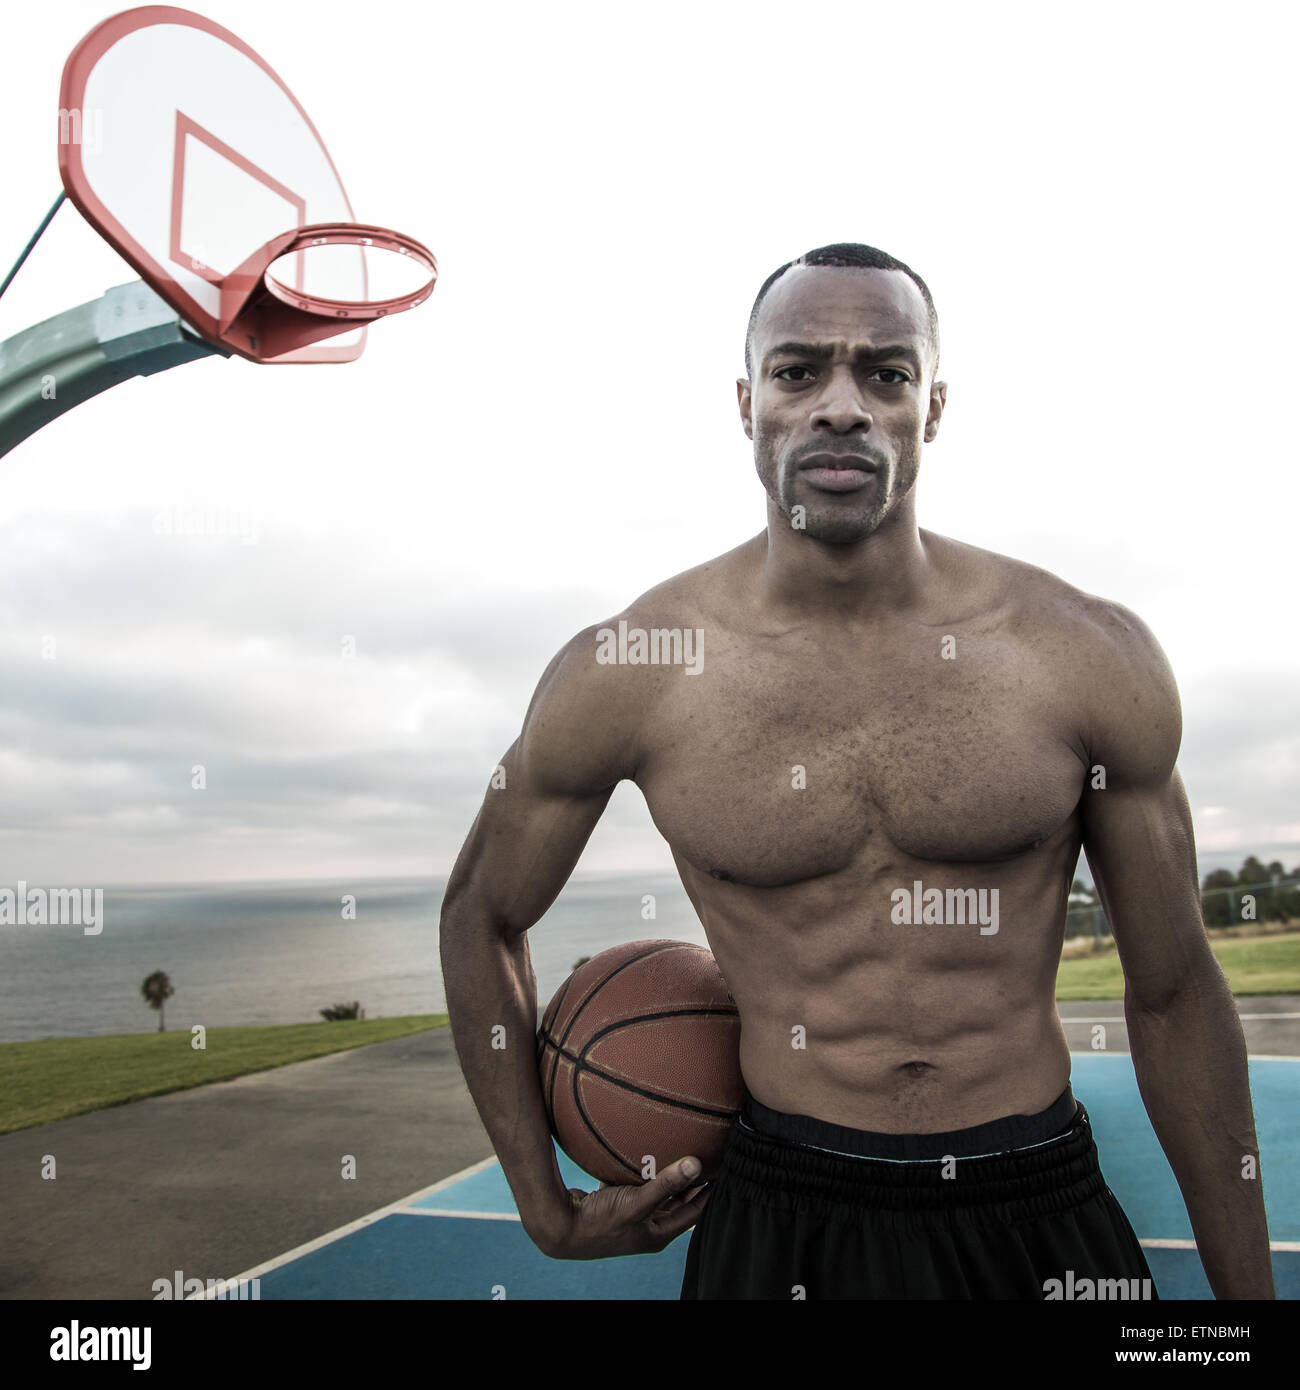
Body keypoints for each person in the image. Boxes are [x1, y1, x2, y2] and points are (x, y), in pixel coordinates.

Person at [439, 243, 1275, 1299]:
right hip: (785, 1205)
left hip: (1031, 1197)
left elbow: (1170, 993)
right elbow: (479, 909)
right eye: (798, 371)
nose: (841, 404)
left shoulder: (1083, 654)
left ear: (932, 407)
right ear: (747, 404)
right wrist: (541, 1205)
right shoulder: (632, 670)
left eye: (884, 372)